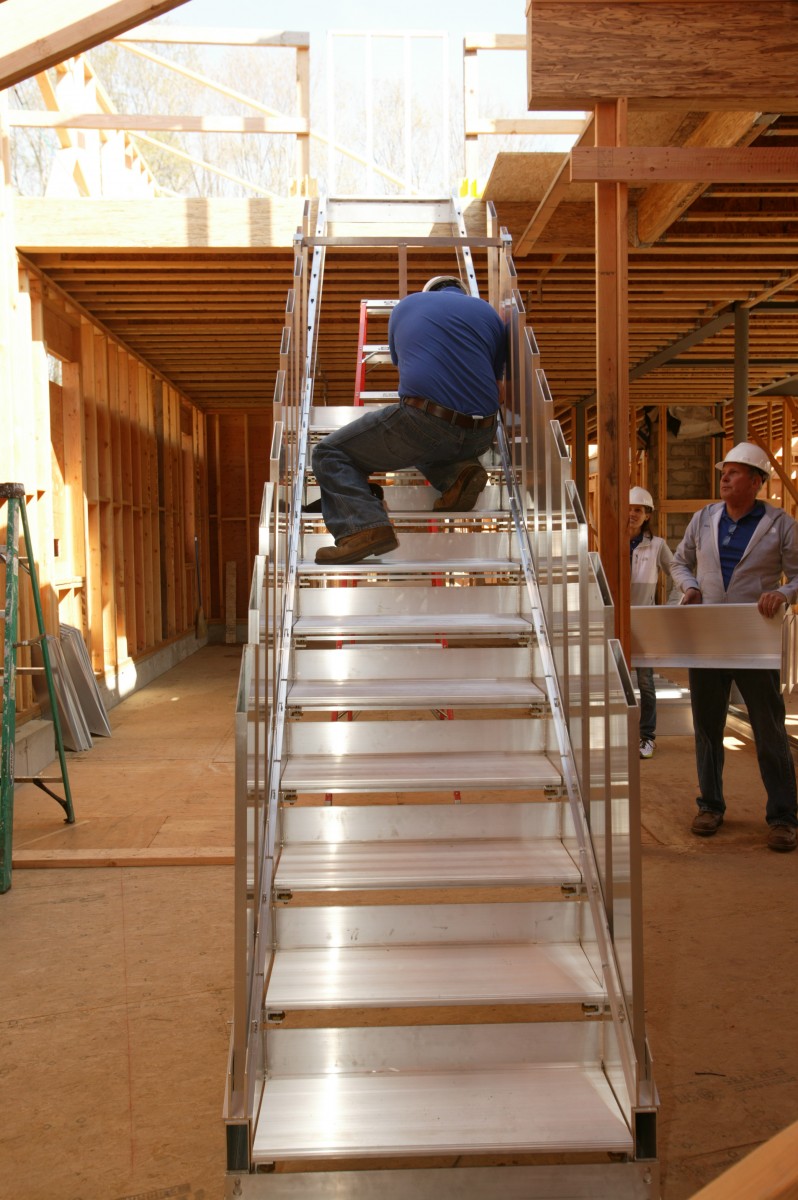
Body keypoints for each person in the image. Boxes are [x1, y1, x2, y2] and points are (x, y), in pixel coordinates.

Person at [311, 275, 506, 565]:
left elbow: (402, 360)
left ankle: (362, 529)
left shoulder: (407, 305)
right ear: (462, 293)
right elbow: (497, 379)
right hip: (482, 433)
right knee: (423, 441)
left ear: (427, 292)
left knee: (329, 452)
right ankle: (457, 476)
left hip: (428, 420)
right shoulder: (489, 313)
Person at [670, 441, 798, 852]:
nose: (724, 477)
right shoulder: (704, 518)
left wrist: (784, 593)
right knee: (707, 727)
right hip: (707, 638)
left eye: (735, 472)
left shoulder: (781, 524)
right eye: (724, 471)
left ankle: (783, 816)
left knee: (768, 727)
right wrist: (689, 587)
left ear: (757, 481)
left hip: (752, 641)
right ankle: (710, 805)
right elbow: (679, 560)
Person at [629, 485, 675, 760]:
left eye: (638, 510)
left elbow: (678, 574)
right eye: (629, 509)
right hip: (613, 619)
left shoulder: (656, 545)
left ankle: (647, 737)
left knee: (645, 682)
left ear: (647, 515)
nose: (633, 514)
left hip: (644, 620)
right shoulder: (612, 539)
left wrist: (670, 609)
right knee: (612, 680)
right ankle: (616, 734)